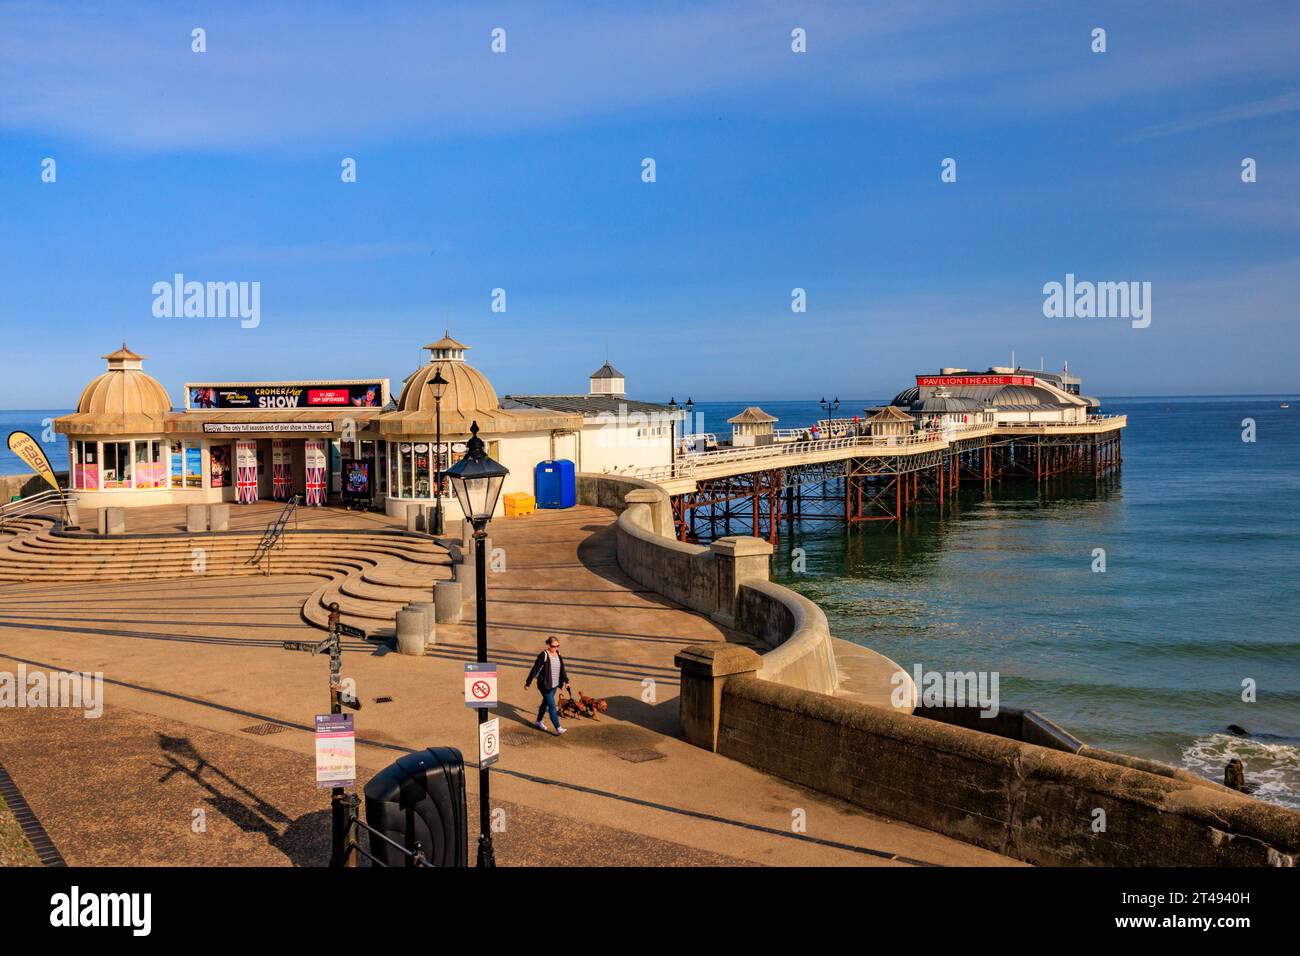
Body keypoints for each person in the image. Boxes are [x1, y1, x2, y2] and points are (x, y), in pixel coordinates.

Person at [525, 636, 570, 735]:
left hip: (554, 685)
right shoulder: (543, 655)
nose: (556, 648)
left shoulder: (558, 654)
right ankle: (558, 728)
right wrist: (528, 682)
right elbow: (535, 669)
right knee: (552, 706)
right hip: (545, 685)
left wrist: (566, 681)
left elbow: (562, 668)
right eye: (554, 646)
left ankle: (538, 721)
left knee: (545, 703)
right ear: (549, 645)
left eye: (557, 646)